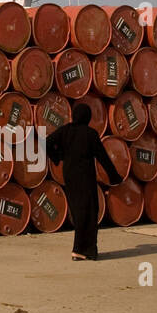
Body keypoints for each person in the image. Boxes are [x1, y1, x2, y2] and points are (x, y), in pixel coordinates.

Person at [46, 102, 122, 261]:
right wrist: (114, 177)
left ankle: (82, 249)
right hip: (85, 177)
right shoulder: (91, 134)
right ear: (88, 117)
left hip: (69, 177)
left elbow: (46, 142)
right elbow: (103, 158)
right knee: (89, 211)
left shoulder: (65, 130)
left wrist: (58, 157)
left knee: (78, 211)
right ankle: (82, 250)